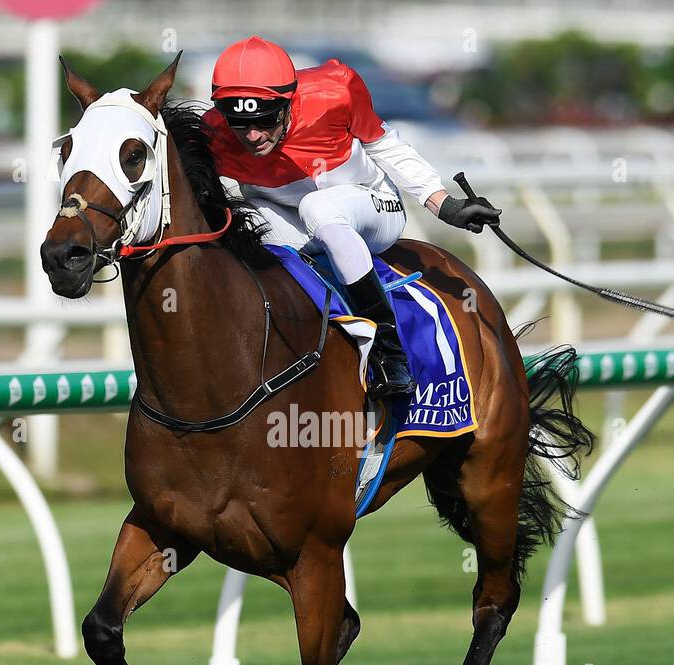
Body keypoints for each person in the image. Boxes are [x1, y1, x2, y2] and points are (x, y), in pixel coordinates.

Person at [203, 36, 501, 398]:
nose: (252, 136)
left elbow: (385, 145)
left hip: (370, 206)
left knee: (320, 208)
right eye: (239, 123)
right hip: (295, 225)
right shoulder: (212, 131)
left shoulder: (336, 90)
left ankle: (390, 351)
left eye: (265, 121)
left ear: (288, 101)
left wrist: (443, 204)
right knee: (245, 221)